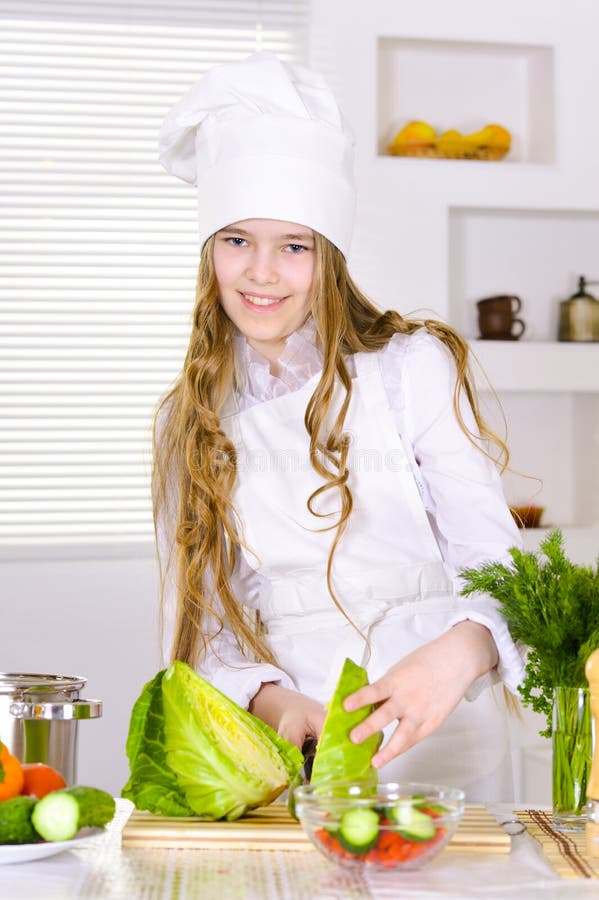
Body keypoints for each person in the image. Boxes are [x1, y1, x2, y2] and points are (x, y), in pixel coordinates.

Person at [154, 52, 525, 801]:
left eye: (293, 246)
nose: (260, 273)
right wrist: (273, 701)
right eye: (236, 241)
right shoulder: (188, 417)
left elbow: (499, 566)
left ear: (329, 257)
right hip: (299, 744)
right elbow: (205, 631)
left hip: (444, 727)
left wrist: (456, 655)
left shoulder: (409, 367)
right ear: (208, 250)